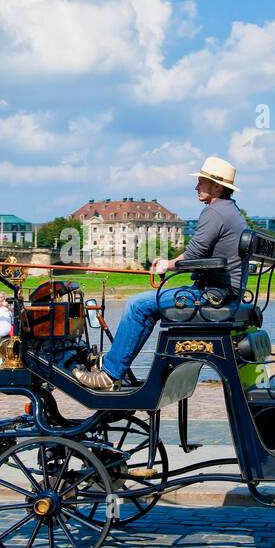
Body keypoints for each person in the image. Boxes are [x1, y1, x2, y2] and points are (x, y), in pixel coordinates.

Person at [76, 155, 246, 390]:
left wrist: (167, 264)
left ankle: (110, 374)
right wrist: (172, 262)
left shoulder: (215, 212)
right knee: (145, 305)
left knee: (137, 306)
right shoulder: (232, 212)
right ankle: (118, 370)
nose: (196, 186)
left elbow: (194, 255)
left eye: (201, 182)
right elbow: (200, 255)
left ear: (217, 187)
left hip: (211, 296)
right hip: (224, 293)